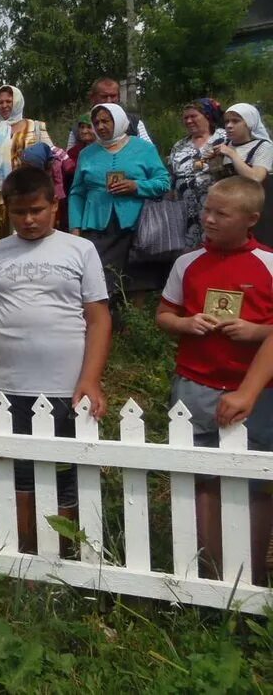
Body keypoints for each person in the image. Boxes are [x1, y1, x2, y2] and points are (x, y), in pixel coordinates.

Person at [0, 166, 111, 554]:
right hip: (9, 386)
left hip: (66, 386)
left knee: (65, 471)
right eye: (19, 212)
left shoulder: (79, 250)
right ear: (7, 210)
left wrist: (91, 379)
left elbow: (99, 318)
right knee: (19, 471)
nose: (29, 219)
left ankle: (65, 553)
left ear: (54, 205)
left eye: (37, 210)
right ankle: (26, 550)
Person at [156, 177, 273, 584]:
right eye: (207, 209)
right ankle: (207, 576)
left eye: (220, 214)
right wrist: (187, 323)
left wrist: (257, 332)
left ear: (251, 219)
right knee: (200, 477)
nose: (208, 218)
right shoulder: (186, 262)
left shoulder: (269, 264)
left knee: (253, 483)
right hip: (194, 385)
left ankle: (252, 578)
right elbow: (164, 316)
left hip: (255, 393)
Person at [69, 104, 171, 306]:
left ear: (119, 121)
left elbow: (163, 181)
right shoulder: (87, 154)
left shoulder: (143, 148)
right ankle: (104, 326)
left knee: (137, 280)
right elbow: (77, 192)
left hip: (137, 225)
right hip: (97, 225)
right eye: (96, 122)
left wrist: (137, 186)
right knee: (98, 280)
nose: (100, 126)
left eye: (106, 121)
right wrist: (75, 227)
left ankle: (132, 330)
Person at [0, 84, 53, 250]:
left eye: (9, 101)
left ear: (17, 101)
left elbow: (50, 160)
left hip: (26, 192)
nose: (4, 105)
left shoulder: (36, 128)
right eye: (0, 102)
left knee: (24, 241)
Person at [167, 98, 227, 250]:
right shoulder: (179, 145)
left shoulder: (224, 139)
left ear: (207, 116)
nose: (188, 121)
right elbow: (172, 176)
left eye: (193, 116)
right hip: (186, 215)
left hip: (216, 211)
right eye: (185, 117)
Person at [65, 77, 152, 147]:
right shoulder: (79, 128)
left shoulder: (134, 123)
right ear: (92, 98)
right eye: (104, 96)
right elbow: (69, 160)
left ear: (118, 97)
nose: (109, 101)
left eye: (113, 96)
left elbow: (149, 153)